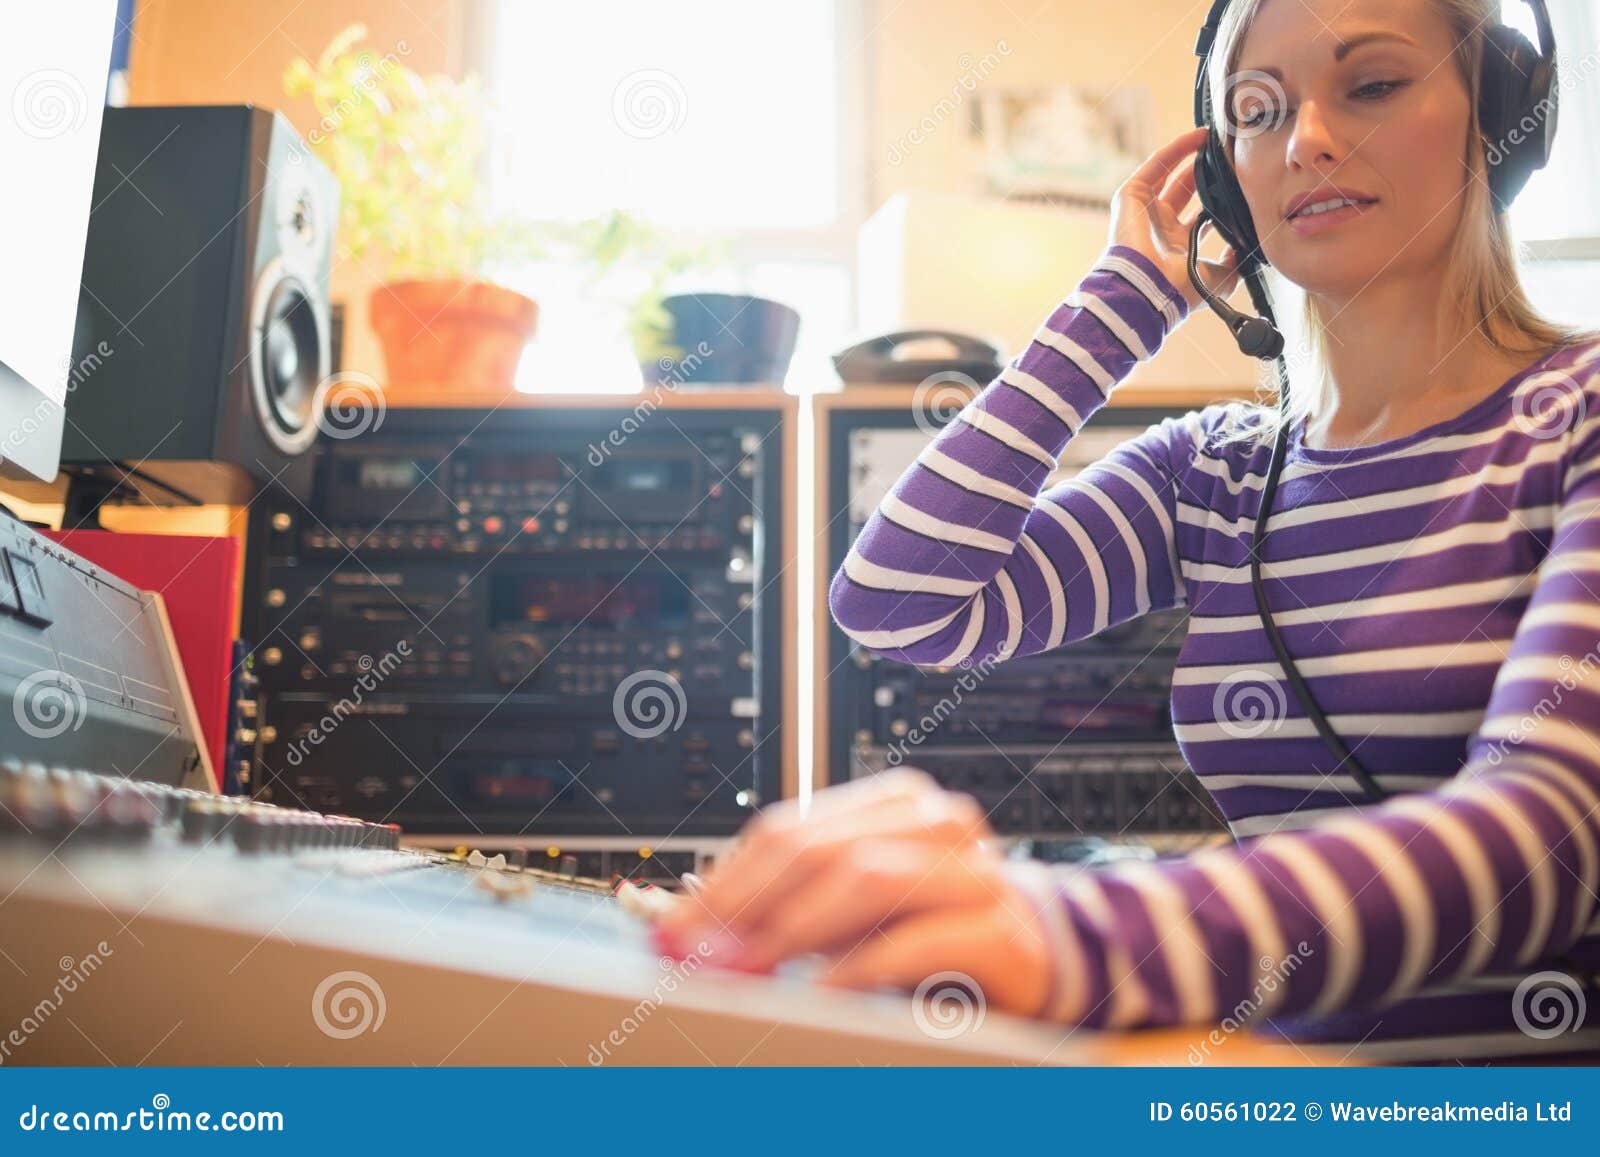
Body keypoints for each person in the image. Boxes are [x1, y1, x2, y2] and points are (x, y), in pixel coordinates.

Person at [656, 0, 1600, 1060]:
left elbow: (1552, 832)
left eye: (1371, 85)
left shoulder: (1581, 412)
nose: (1307, 140)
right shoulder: (1215, 472)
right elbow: (897, 604)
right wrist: (1124, 301)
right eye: (1256, 109)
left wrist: (1074, 932)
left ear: (1502, 114)